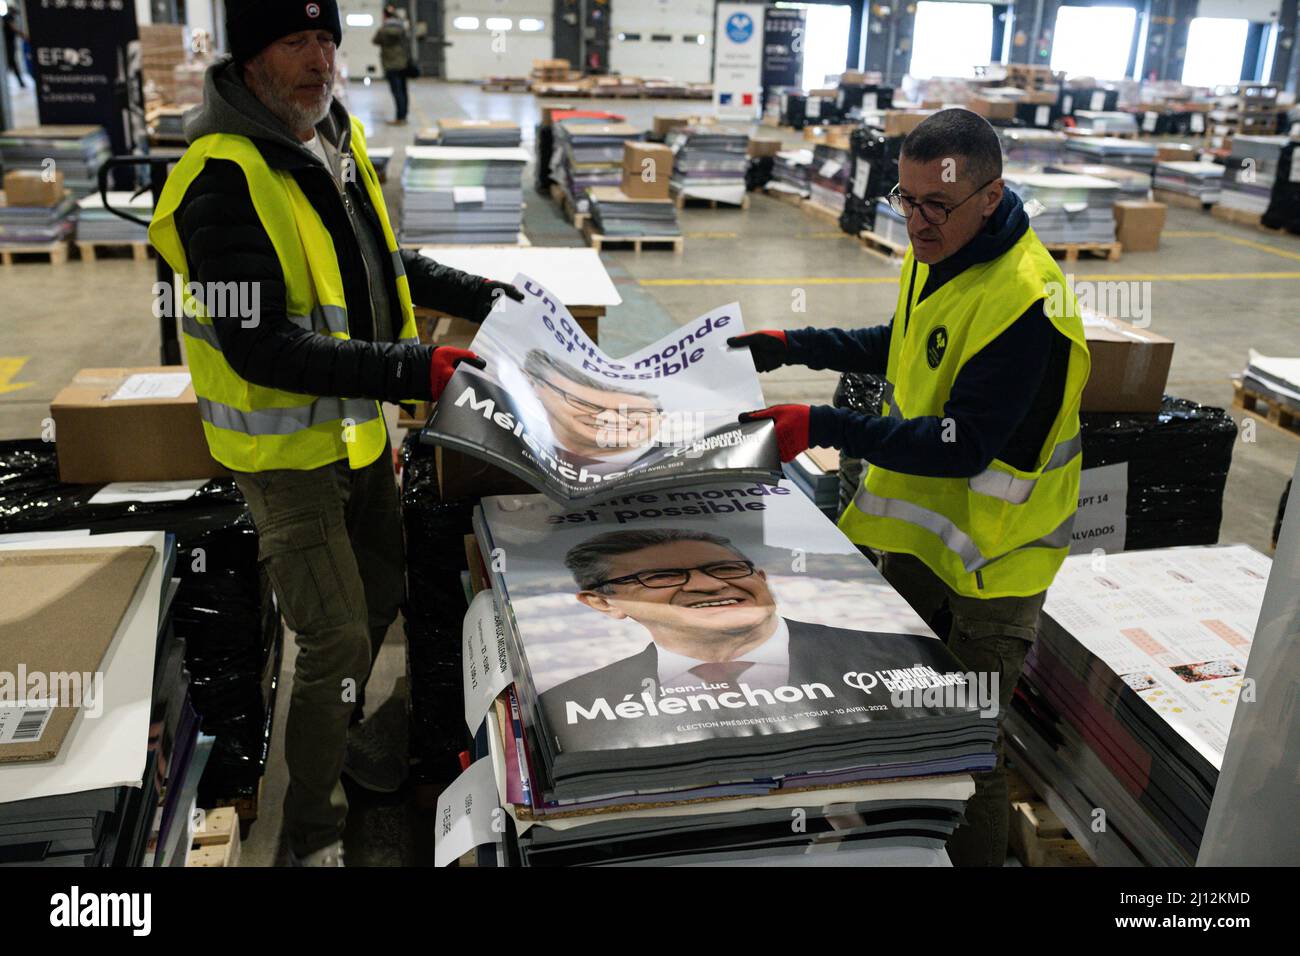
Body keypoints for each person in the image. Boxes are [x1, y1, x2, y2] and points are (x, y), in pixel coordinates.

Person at [148, 0, 522, 867]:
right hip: (285, 457)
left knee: (385, 587)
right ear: (250, 61)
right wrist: (407, 371)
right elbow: (260, 342)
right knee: (338, 641)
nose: (320, 59)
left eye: (327, 40)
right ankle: (309, 833)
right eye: (295, 42)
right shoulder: (221, 179)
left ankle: (352, 753)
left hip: (354, 439)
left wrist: (492, 298)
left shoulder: (332, 143)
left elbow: (388, 269)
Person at [730, 108, 1091, 866]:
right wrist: (792, 344)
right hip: (925, 539)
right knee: (901, 704)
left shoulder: (1029, 302)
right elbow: (898, 344)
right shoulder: (941, 251)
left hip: (999, 560)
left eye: (937, 205)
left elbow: (962, 446)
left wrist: (824, 426)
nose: (917, 222)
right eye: (907, 198)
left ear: (990, 196)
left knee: (968, 744)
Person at [540, 528, 938, 739]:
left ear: (761, 578)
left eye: (726, 569)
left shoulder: (902, 659)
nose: (710, 586)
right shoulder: (572, 705)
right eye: (661, 576)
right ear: (603, 603)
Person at [521, 349, 662, 467]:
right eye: (582, 403)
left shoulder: (666, 461)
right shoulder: (520, 432)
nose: (608, 418)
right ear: (533, 385)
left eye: (632, 411)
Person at [372, 4, 411, 125]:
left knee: (396, 92)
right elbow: (407, 43)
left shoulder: (383, 30)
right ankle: (403, 116)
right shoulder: (402, 29)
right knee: (403, 91)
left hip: (390, 65)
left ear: (385, 16)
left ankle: (399, 118)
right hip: (403, 63)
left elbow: (375, 41)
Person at [3, 10, 27, 88]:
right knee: (12, 63)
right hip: (7, 46)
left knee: (12, 64)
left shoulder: (7, 18)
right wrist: (23, 35)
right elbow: (13, 28)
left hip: (9, 45)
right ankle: (20, 82)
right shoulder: (8, 17)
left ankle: (20, 82)